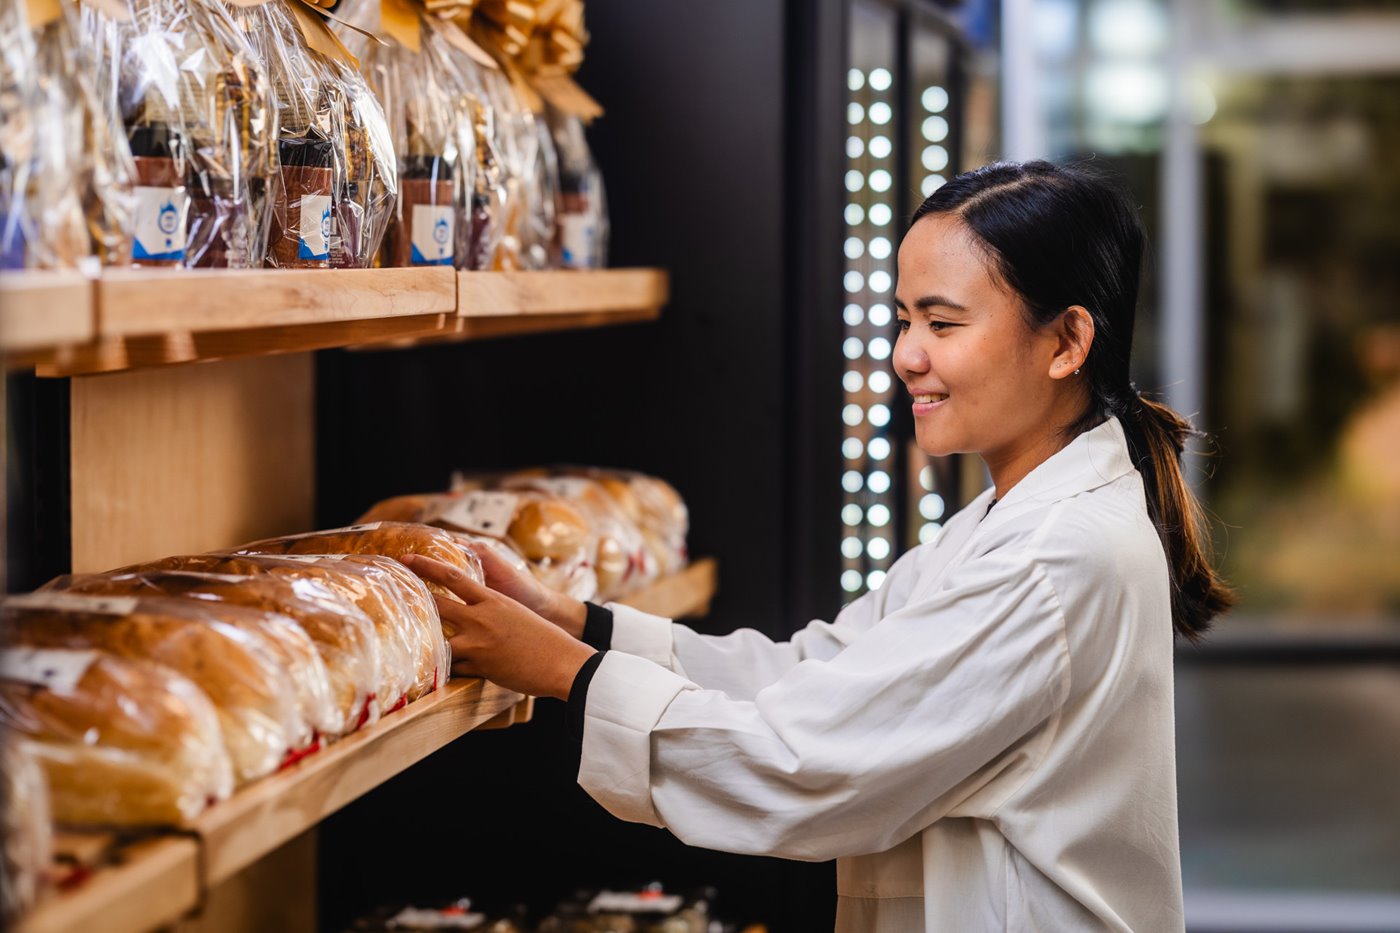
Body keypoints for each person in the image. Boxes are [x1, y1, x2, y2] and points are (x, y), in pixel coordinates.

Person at [399, 160, 1234, 932]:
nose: (907, 355)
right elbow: (815, 674)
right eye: (905, 319)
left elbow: (807, 762)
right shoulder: (1010, 520)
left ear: (1066, 342)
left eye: (942, 322)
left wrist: (558, 668)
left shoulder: (1053, 557)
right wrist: (577, 621)